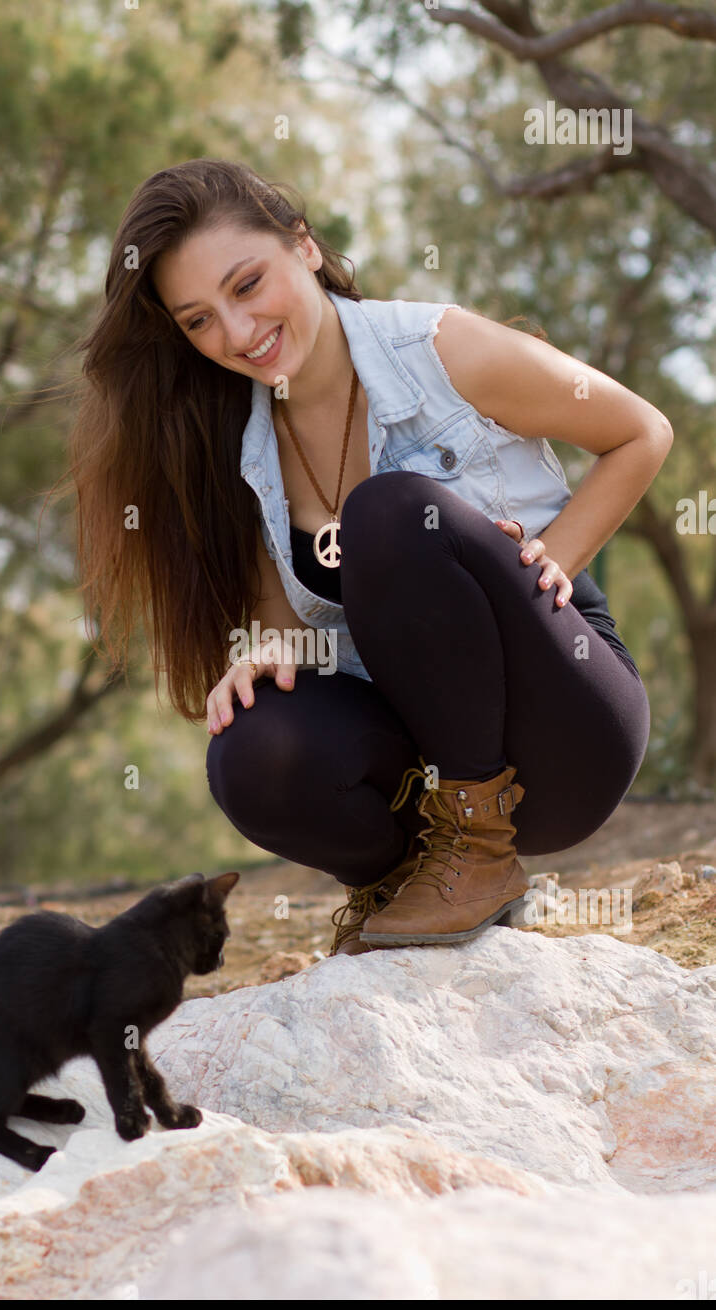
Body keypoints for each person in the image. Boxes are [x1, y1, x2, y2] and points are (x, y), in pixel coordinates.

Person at [66, 158, 670, 958]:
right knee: (251, 749)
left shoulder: (441, 349)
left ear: (303, 247)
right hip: (418, 747)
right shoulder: (241, 453)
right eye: (199, 321)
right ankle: (407, 881)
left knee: (388, 513)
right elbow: (286, 625)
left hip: (563, 725)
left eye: (247, 286)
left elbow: (640, 431)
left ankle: (478, 850)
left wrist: (555, 556)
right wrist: (262, 657)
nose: (238, 335)